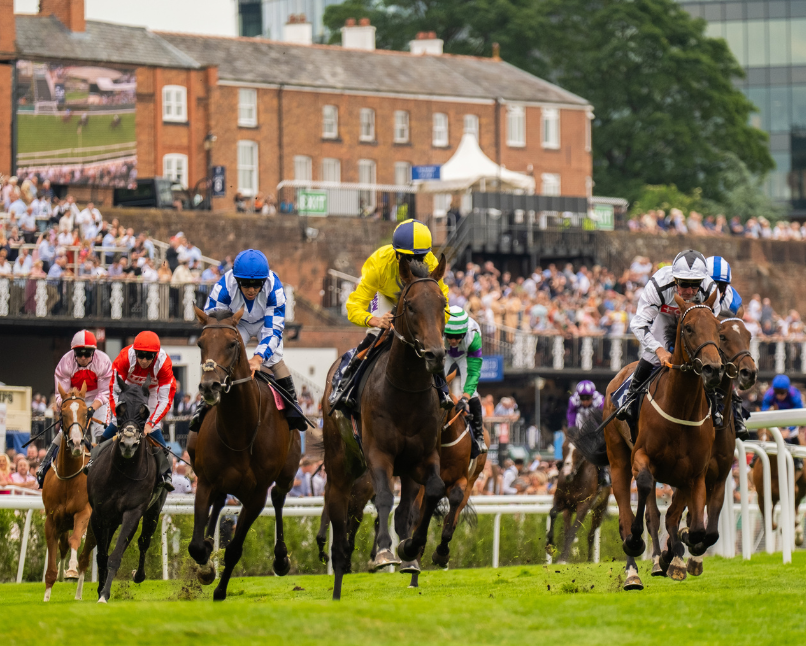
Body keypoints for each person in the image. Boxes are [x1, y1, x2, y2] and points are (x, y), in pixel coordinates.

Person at [328, 219, 451, 412]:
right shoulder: (378, 263)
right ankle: (346, 384)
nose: (416, 262)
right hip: (385, 298)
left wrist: (431, 327)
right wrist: (375, 320)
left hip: (416, 302)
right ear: (397, 254)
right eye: (410, 257)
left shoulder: (431, 263)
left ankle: (443, 391)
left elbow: (444, 306)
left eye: (420, 256)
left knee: (432, 342)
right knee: (375, 335)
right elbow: (353, 306)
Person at [190, 249, 308, 433]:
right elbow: (215, 325)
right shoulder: (223, 287)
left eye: (257, 284)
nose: (251, 290)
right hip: (236, 324)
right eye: (245, 284)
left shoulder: (275, 288)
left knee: (275, 360)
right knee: (220, 355)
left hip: (265, 324)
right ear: (237, 280)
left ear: (264, 281)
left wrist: (258, 358)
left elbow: (273, 330)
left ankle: (293, 406)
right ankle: (203, 404)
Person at [616, 249, 721, 426]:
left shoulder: (710, 289)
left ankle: (715, 404)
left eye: (695, 284)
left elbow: (710, 327)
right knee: (651, 354)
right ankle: (631, 397)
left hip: (695, 320)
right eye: (684, 284)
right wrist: (659, 350)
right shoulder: (658, 284)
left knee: (707, 357)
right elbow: (639, 324)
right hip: (664, 316)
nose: (689, 291)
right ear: (675, 279)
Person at [85, 331, 177, 490]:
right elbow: (113, 390)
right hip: (128, 386)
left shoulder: (164, 364)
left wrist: (150, 424)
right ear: (135, 353)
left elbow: (165, 400)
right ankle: (94, 459)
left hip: (153, 390)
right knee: (117, 421)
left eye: (149, 357)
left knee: (154, 426)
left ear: (156, 355)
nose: (144, 360)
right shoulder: (124, 357)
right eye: (140, 355)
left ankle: (166, 473)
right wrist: (120, 417)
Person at [36, 330, 114, 486]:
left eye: (87, 354)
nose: (83, 358)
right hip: (75, 398)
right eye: (79, 354)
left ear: (94, 352)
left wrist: (92, 409)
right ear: (74, 353)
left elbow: (105, 392)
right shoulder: (65, 363)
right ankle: (43, 466)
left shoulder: (103, 361)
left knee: (101, 431)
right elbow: (61, 395)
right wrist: (70, 408)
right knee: (64, 431)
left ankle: (108, 471)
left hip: (98, 399)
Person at [443, 306, 487, 458]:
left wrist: (464, 398)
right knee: (434, 382)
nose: (453, 341)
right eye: (450, 336)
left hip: (465, 356)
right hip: (444, 353)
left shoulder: (473, 338)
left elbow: (474, 373)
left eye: (457, 337)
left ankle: (479, 436)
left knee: (470, 391)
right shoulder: (438, 332)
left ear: (464, 333)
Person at [566, 380, 610, 486]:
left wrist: (595, 433)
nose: (585, 401)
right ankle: (564, 469)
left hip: (596, 428)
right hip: (579, 428)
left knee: (599, 448)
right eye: (582, 398)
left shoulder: (600, 400)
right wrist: (572, 431)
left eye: (588, 398)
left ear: (592, 396)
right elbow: (571, 418)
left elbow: (602, 418)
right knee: (568, 447)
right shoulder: (573, 400)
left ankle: (603, 473)